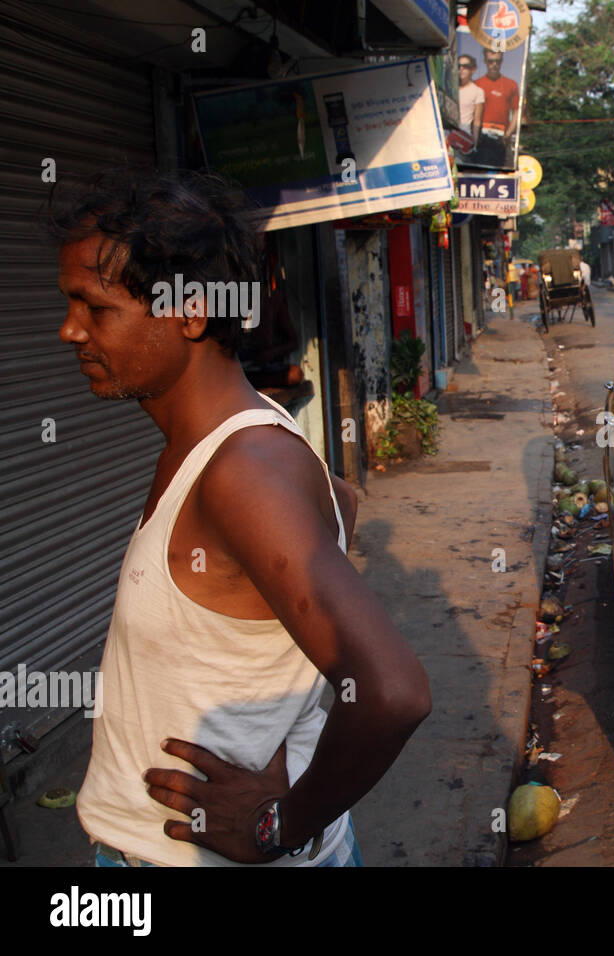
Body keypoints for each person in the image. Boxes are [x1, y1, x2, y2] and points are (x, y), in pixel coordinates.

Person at [50, 168, 431, 866]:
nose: (69, 329)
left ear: (190, 313)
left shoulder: (241, 472)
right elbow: (338, 508)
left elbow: (394, 691)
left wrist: (277, 826)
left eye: (94, 308)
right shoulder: (234, 446)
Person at [470, 50, 519, 169]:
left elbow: (517, 111)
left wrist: (508, 134)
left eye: (497, 61)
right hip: (482, 138)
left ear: (501, 61)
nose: (494, 65)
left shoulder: (511, 84)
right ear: (485, 62)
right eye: (491, 61)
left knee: (504, 171)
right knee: (480, 171)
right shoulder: (476, 84)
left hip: (502, 138)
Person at [456, 54, 484, 156]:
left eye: (465, 66)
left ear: (472, 70)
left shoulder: (477, 91)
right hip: (446, 131)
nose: (461, 69)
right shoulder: (450, 87)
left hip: (463, 134)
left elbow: (477, 121)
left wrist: (474, 144)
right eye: (458, 66)